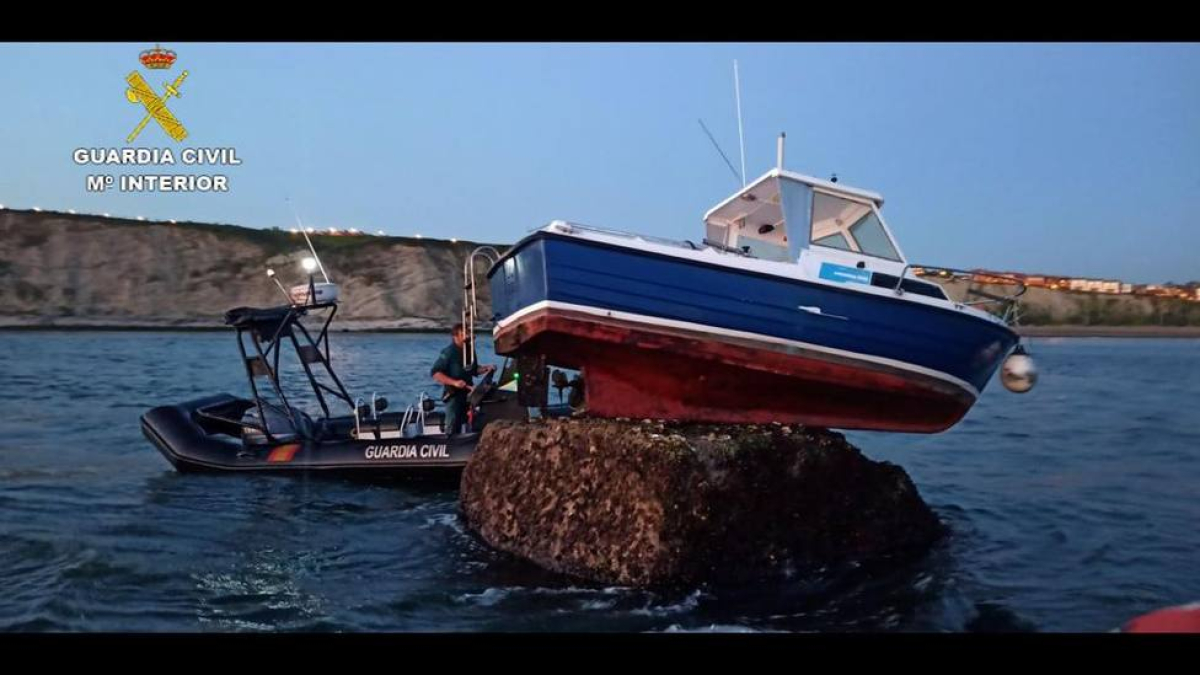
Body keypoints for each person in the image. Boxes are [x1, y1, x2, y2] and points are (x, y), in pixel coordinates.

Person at [430, 323, 495, 436]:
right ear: (456, 336)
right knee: (453, 422)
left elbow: (473, 370)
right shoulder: (449, 352)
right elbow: (436, 373)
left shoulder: (470, 351)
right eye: (465, 333)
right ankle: (450, 441)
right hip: (454, 395)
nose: (468, 336)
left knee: (467, 421)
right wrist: (454, 382)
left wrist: (486, 368)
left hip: (469, 395)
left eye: (469, 333)